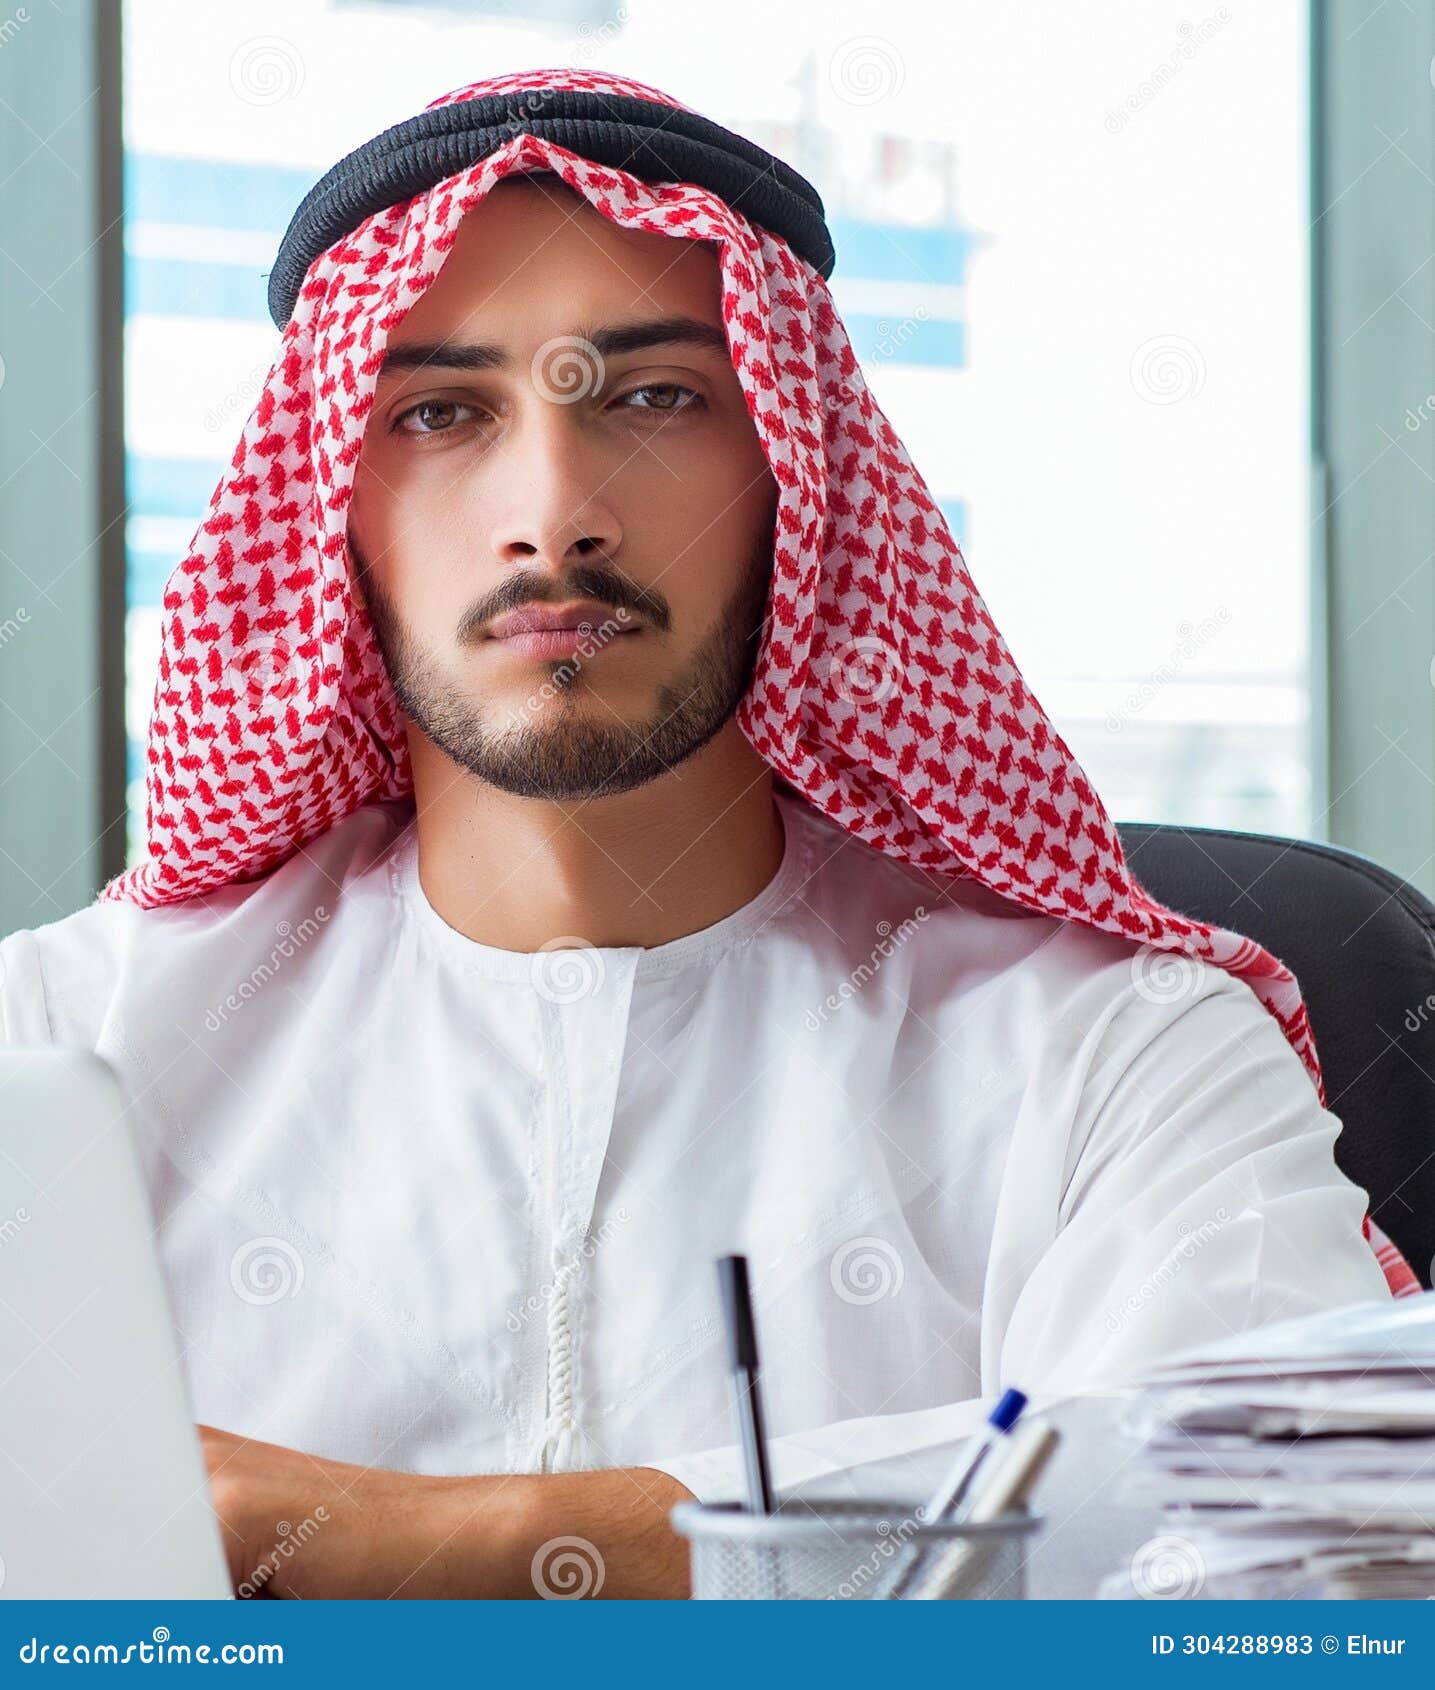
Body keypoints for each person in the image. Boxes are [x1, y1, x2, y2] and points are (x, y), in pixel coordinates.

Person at [0, 69, 1411, 1600]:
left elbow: (1296, 1562)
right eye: (443, 411)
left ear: (796, 485)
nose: (555, 512)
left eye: (657, 396)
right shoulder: (69, 1043)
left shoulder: (1115, 1052)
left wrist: (419, 1540)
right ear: (339, 499)